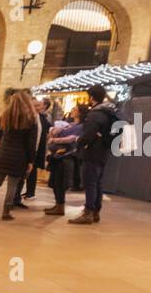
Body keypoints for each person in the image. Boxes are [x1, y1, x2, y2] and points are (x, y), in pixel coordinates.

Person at [0, 88, 37, 220]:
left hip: (3, 154)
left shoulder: (6, 116)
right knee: (13, 185)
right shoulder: (30, 119)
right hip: (19, 157)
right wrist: (31, 161)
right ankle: (6, 212)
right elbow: (31, 144)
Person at [69, 83, 120, 225]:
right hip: (104, 151)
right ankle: (96, 211)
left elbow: (88, 134)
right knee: (97, 182)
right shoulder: (110, 111)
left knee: (89, 183)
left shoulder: (96, 113)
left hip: (92, 153)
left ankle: (88, 212)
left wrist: (79, 142)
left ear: (91, 97)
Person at [44, 104, 87, 216]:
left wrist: (55, 140)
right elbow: (53, 132)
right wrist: (54, 133)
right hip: (57, 157)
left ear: (80, 113)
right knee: (54, 182)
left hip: (66, 157)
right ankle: (58, 205)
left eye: (75, 109)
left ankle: (60, 206)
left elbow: (72, 140)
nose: (72, 111)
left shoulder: (81, 126)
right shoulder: (69, 125)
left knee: (60, 182)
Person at [13, 96, 52, 208]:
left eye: (38, 105)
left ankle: (17, 199)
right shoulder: (26, 118)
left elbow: (46, 131)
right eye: (34, 105)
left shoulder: (42, 118)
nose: (36, 108)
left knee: (26, 175)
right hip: (24, 152)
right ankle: (12, 200)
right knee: (18, 176)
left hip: (35, 152)